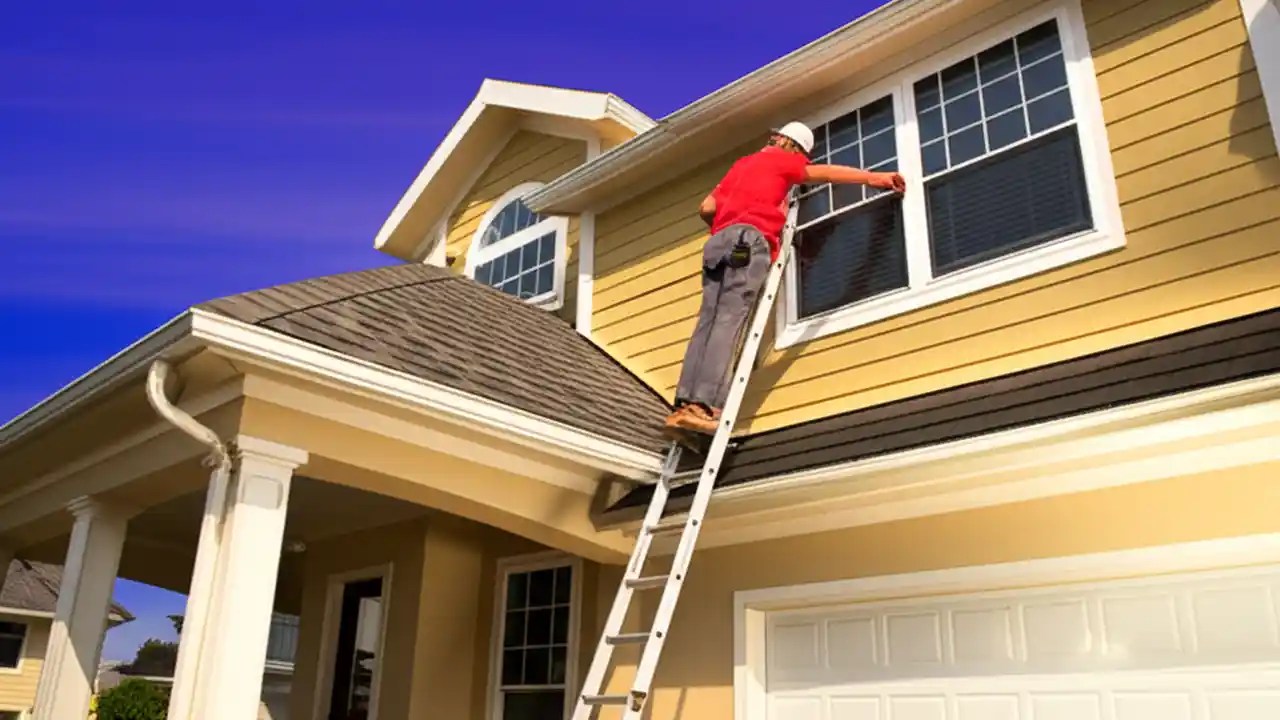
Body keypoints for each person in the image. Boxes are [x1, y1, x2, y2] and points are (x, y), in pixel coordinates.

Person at [663, 121, 906, 443]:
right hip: (748, 243)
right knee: (728, 321)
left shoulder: (742, 164)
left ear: (778, 138)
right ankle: (703, 406)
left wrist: (730, 220)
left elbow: (706, 207)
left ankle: (683, 405)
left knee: (707, 321)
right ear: (796, 149)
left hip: (717, 243)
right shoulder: (785, 161)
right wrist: (876, 178)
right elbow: (826, 174)